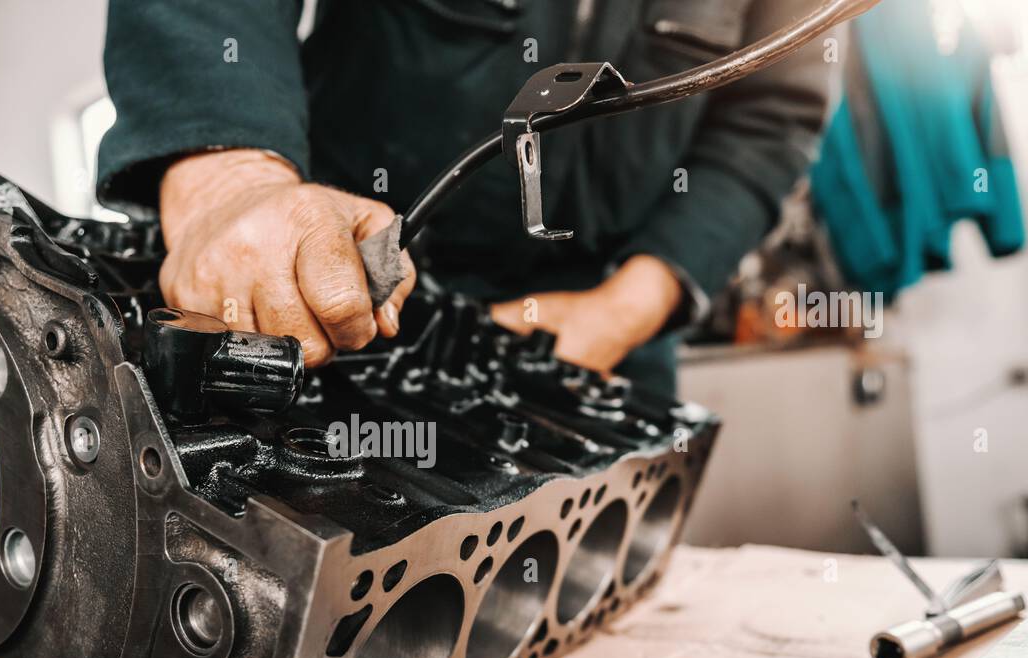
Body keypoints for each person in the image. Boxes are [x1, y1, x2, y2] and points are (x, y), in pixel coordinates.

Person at [98, 0, 838, 395]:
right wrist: (230, 181)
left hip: (603, 342)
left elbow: (770, 120)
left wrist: (627, 307)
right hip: (347, 312)